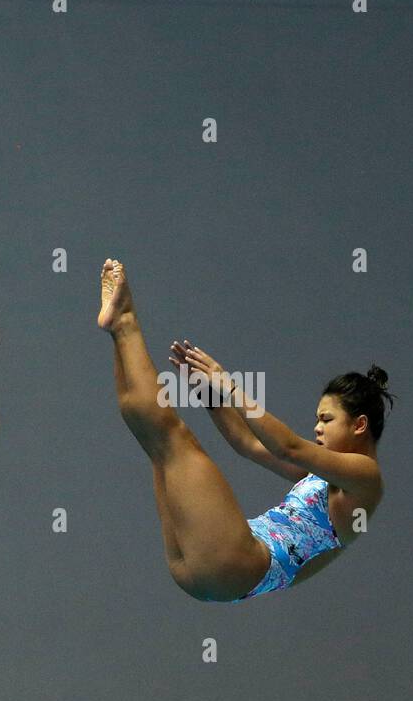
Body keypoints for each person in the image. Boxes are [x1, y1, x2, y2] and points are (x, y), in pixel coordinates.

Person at [98, 257, 391, 602]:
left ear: (359, 425)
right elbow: (247, 443)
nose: (317, 428)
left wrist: (229, 385)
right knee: (156, 442)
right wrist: (209, 393)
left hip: (239, 563)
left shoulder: (366, 478)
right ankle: (120, 330)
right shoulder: (324, 479)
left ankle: (126, 321)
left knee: (173, 438)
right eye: (317, 419)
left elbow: (288, 447)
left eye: (327, 420)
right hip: (206, 571)